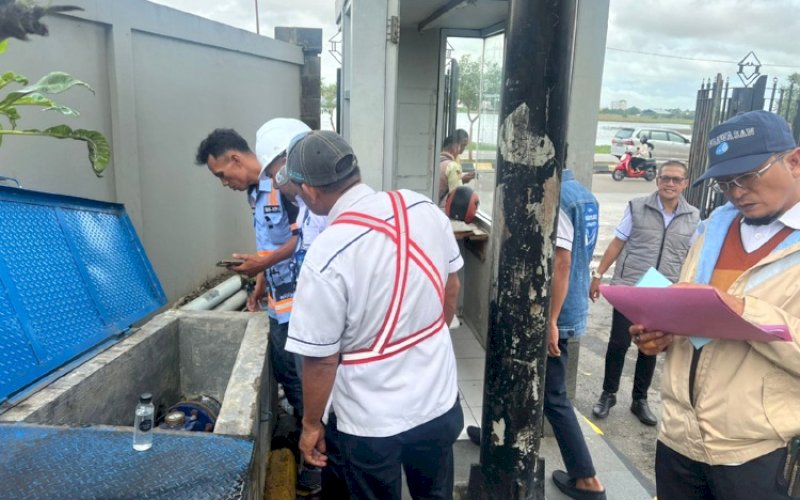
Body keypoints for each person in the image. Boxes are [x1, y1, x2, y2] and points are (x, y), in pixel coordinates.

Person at [284, 130, 464, 500]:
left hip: (370, 425)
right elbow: (452, 287)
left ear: (312, 191)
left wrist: (310, 426)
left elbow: (320, 361)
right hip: (439, 402)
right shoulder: (421, 207)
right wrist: (421, 343)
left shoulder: (326, 254)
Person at [631, 111, 800, 499]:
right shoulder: (712, 228)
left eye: (747, 176)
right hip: (678, 438)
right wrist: (660, 332)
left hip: (757, 449)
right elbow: (693, 316)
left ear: (794, 162)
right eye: (725, 182)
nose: (736, 191)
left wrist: (741, 310)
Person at [467, 169, 606, 500]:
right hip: (566, 305)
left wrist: (551, 320)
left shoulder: (553, 196)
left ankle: (586, 478)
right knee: (512, 374)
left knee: (553, 395)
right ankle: (495, 434)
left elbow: (561, 261)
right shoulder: (585, 195)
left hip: (551, 312)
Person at [194, 119, 310, 419]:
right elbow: (269, 243)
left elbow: (305, 238)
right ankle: (305, 436)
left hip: (300, 303)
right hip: (277, 301)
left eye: (222, 175)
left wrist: (263, 263)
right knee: (286, 372)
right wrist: (260, 282)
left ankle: (314, 443)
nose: (224, 183)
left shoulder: (284, 183)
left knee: (302, 381)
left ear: (235, 158)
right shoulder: (254, 193)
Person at [589, 160, 699, 426]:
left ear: (685, 183)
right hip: (631, 287)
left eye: (676, 180)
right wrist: (599, 275)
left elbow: (695, 258)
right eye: (665, 179)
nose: (670, 184)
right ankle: (608, 393)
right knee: (618, 343)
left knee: (650, 347)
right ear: (657, 180)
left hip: (664, 291)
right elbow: (618, 242)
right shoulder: (637, 207)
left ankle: (640, 399)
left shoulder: (694, 217)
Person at [439, 132, 475, 206]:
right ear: (454, 146)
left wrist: (461, 179)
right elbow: (456, 195)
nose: (462, 150)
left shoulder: (437, 162)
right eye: (462, 146)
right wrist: (461, 180)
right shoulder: (453, 166)